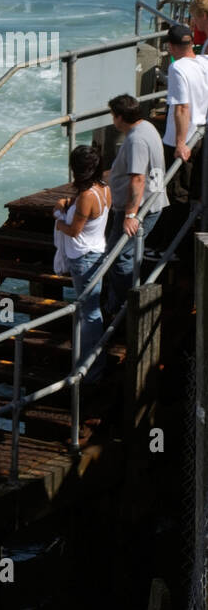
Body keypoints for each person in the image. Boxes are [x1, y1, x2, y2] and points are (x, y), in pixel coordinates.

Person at [104, 94, 166, 313]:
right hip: (151, 200)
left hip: (139, 208)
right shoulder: (147, 127)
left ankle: (127, 305)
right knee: (119, 255)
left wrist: (131, 215)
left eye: (113, 115)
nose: (112, 120)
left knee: (118, 257)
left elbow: (138, 179)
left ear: (120, 117)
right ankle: (116, 304)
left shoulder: (135, 140)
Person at [55, 144, 110, 380]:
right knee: (89, 310)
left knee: (90, 313)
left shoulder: (87, 196)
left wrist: (58, 220)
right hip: (96, 251)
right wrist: (68, 206)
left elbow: (74, 230)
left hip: (83, 258)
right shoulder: (103, 189)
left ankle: (90, 369)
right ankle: (90, 363)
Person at [161, 23, 207, 203]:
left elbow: (182, 107)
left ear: (171, 46)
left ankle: (177, 231)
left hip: (181, 139)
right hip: (200, 135)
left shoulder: (177, 68)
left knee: (177, 193)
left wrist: (180, 143)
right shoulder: (205, 62)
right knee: (196, 188)